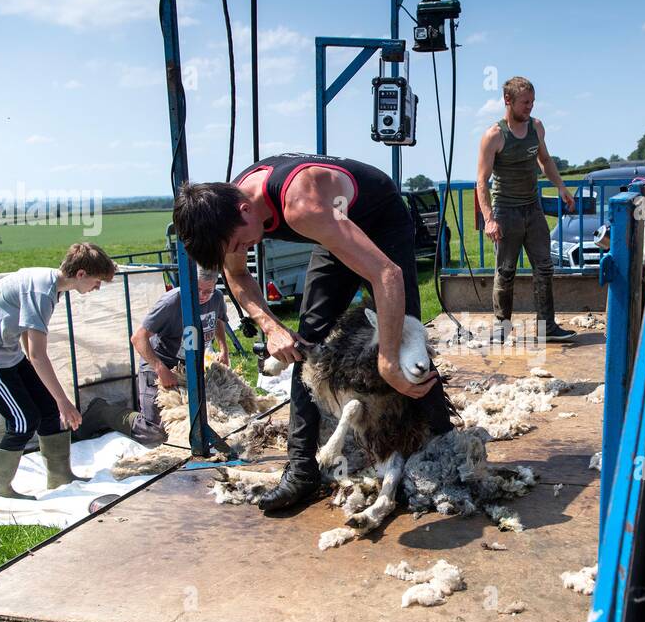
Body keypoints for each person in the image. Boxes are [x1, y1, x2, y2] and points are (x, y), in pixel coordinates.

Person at [172, 152, 456, 512]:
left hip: (381, 221)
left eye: (240, 245)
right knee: (308, 344)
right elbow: (238, 275)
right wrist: (271, 327)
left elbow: (387, 275)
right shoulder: (227, 214)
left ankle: (446, 445)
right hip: (333, 232)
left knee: (404, 345)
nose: (243, 251)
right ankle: (303, 469)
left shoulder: (301, 205)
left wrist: (386, 358)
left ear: (245, 210)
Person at [0, 242, 117, 498]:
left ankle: (60, 475)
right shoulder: (43, 291)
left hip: (7, 352)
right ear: (81, 274)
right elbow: (37, 354)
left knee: (48, 410)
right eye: (98, 281)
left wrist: (49, 394)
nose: (97, 288)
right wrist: (64, 401)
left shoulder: (52, 286)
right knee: (23, 420)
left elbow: (26, 334)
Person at [476, 75, 577, 342]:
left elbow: (545, 160)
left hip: (533, 209)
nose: (530, 107)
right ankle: (502, 327)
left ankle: (547, 329)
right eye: (525, 102)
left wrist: (562, 187)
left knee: (544, 267)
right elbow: (481, 182)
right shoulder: (494, 136)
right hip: (506, 212)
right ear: (507, 101)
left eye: (532, 101)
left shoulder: (537, 127)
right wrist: (489, 218)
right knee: (506, 270)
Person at [131, 268, 229, 431]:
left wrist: (223, 349)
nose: (202, 296)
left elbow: (218, 319)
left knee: (196, 420)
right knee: (154, 429)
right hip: (159, 363)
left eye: (207, 291)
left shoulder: (217, 298)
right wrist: (160, 369)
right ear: (188, 285)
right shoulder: (172, 302)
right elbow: (138, 337)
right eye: (197, 290)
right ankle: (111, 414)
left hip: (188, 366)